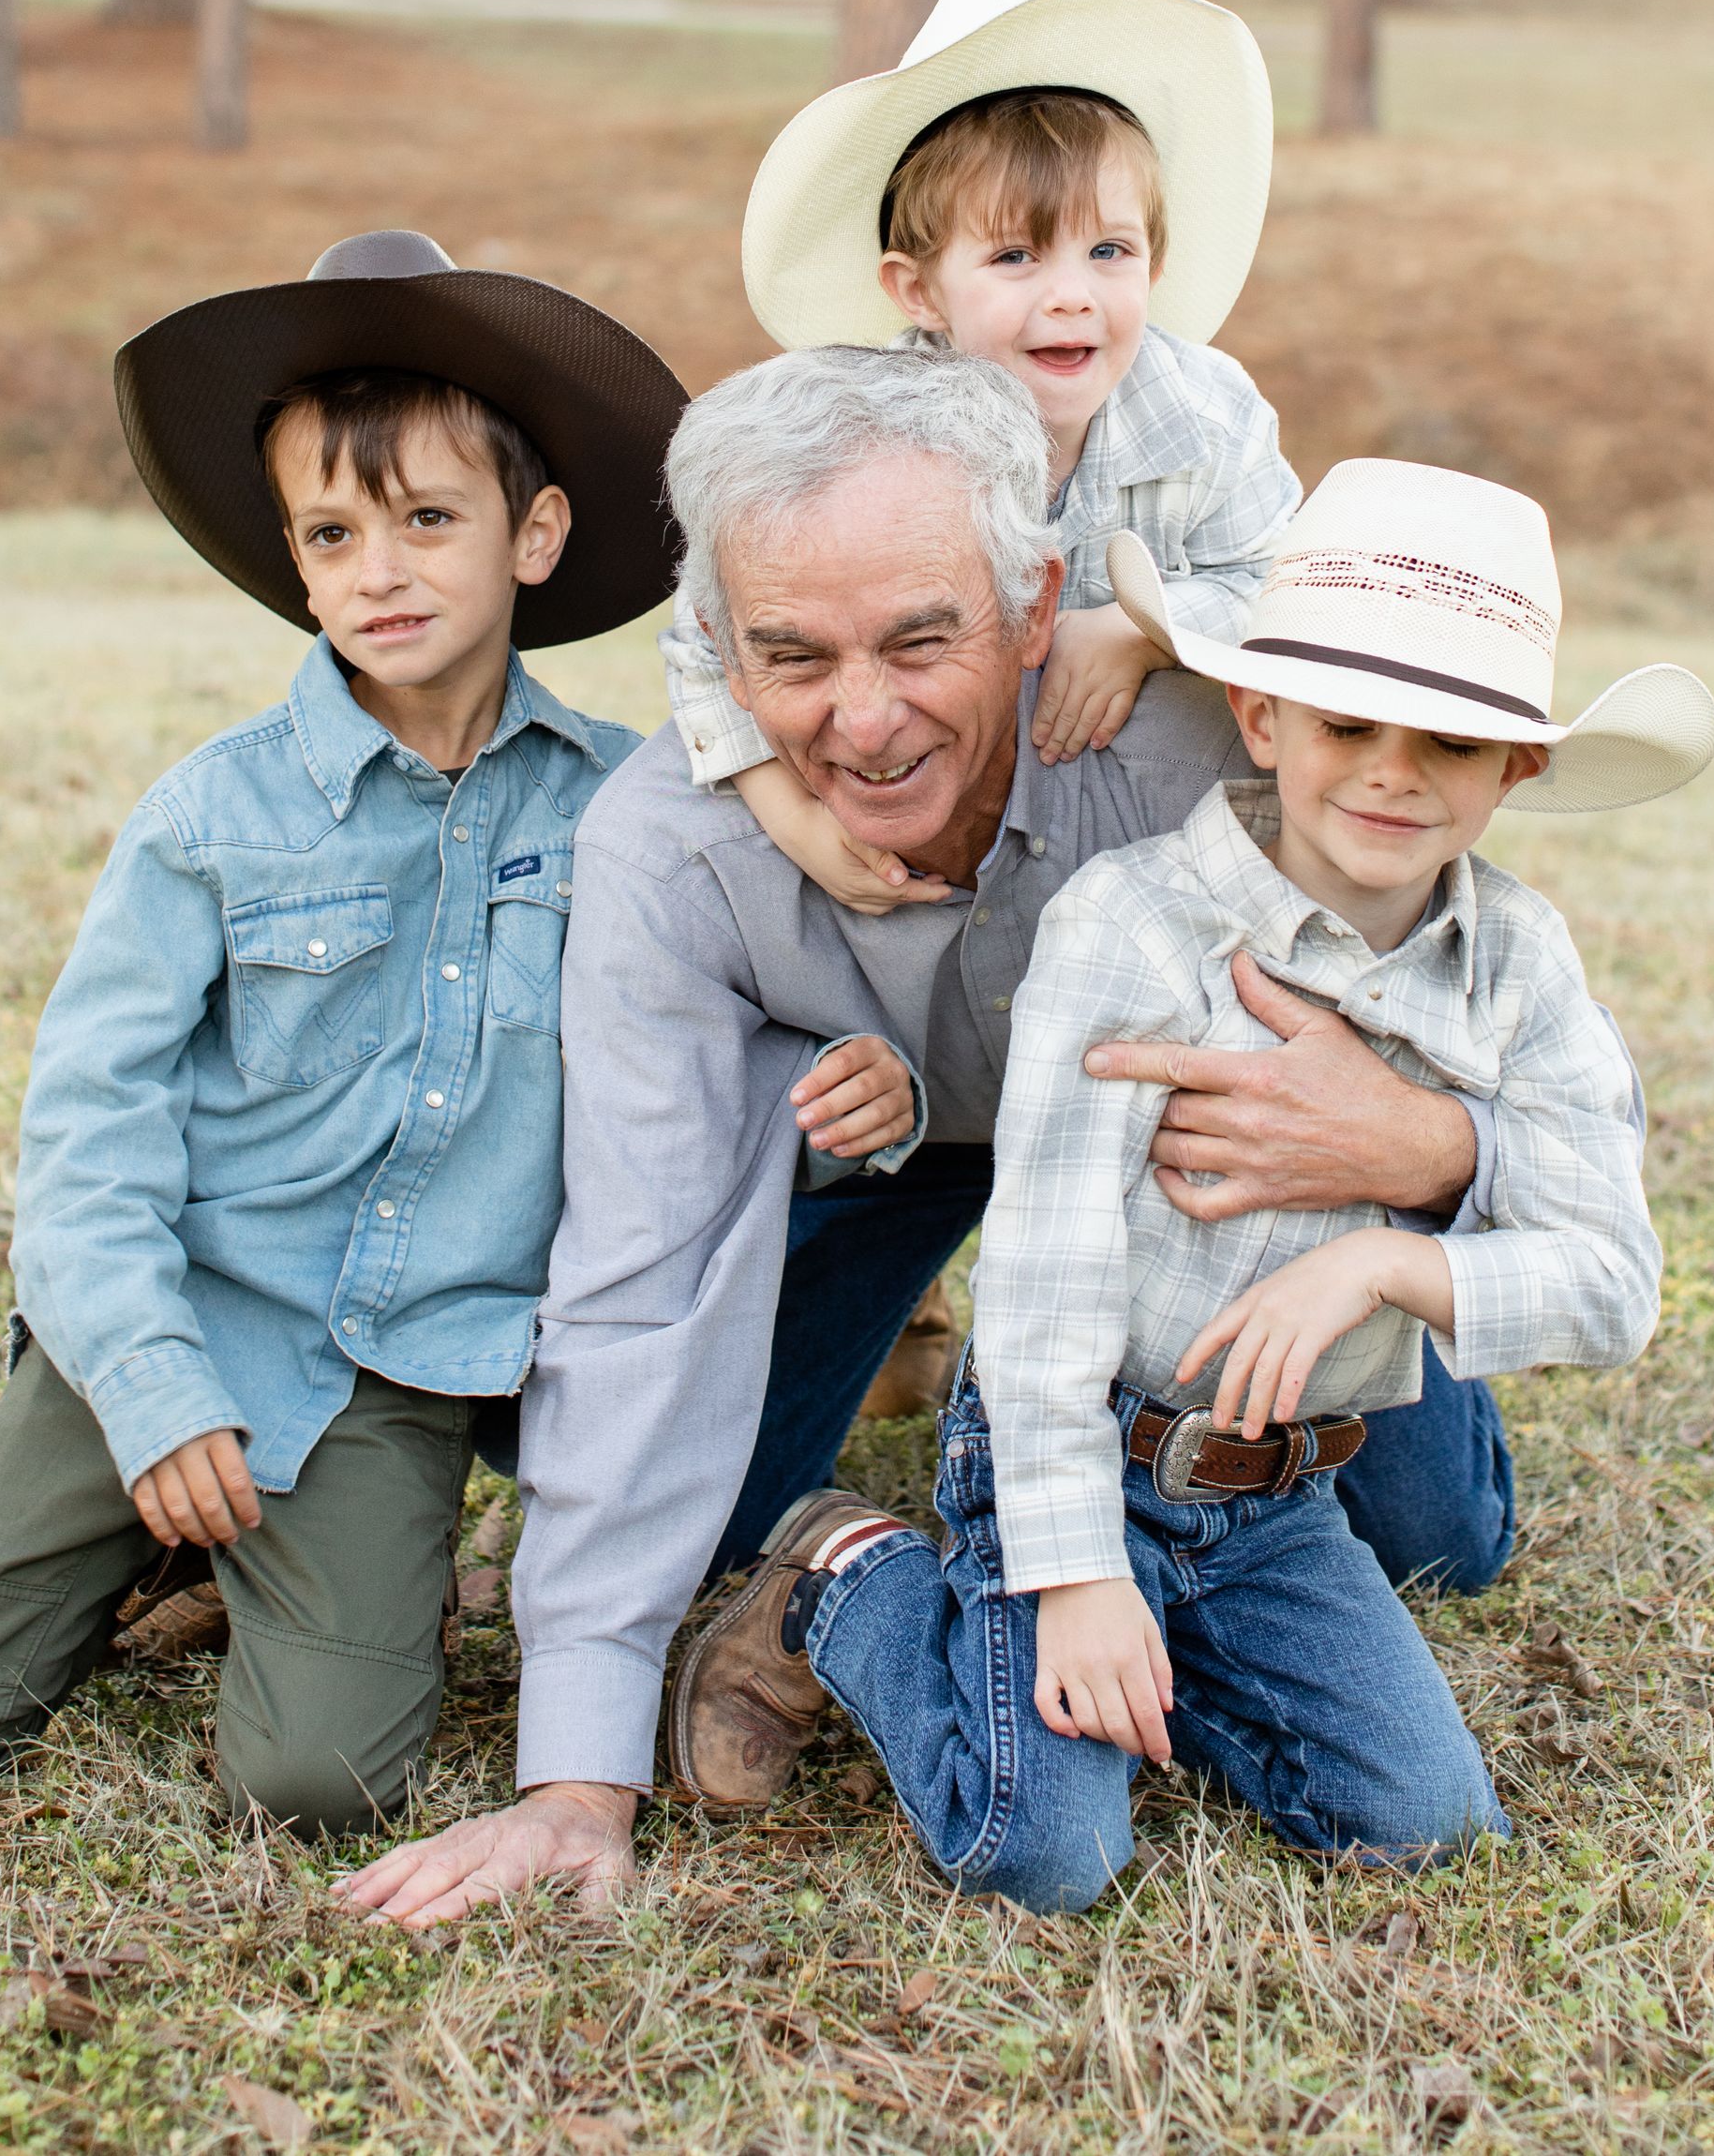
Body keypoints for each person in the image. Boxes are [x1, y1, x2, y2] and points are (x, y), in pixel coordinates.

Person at [336, 363, 1531, 1933]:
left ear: (1037, 607)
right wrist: (574, 1782)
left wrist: (1423, 1144)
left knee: (1448, 1542)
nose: (866, 718)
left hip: (1167, 1171)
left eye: (921, 639)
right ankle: (861, 1554)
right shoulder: (670, 854)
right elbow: (640, 1283)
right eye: (791, 658)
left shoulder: (1220, 761)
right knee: (724, 1493)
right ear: (713, 649)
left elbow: (1515, 1076)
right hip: (890, 1153)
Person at [680, 463, 1714, 1911]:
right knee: (1044, 1851)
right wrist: (1076, 1569)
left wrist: (1387, 1268)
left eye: (1456, 742)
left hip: (1279, 1481)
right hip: (1085, 1434)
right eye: (1348, 722)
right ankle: (849, 1577)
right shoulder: (1137, 925)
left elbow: (1615, 1279)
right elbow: (1040, 1280)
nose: (1393, 774)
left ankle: (1147, 1668)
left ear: (1519, 768)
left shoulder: (1522, 967)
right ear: (1262, 715)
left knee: (1424, 1824)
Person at [0, 231, 687, 1837]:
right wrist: (154, 1385)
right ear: (295, 565)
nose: (381, 569)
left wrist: (882, 1078)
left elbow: (762, 994)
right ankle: (156, 1522)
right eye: (333, 530)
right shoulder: (209, 821)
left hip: (389, 1368)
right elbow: (88, 1134)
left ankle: (314, 1563)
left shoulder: (621, 812)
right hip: (168, 1325)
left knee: (314, 1784)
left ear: (536, 531)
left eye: (428, 519)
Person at [662, 0, 1300, 910]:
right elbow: (703, 638)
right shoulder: (862, 438)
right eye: (1014, 256)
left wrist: (1141, 628)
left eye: (1109, 251)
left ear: (1153, 262)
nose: (1072, 292)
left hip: (1136, 815)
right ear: (918, 292)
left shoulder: (1206, 415)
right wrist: (789, 817)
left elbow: (1293, 594)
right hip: (923, 787)